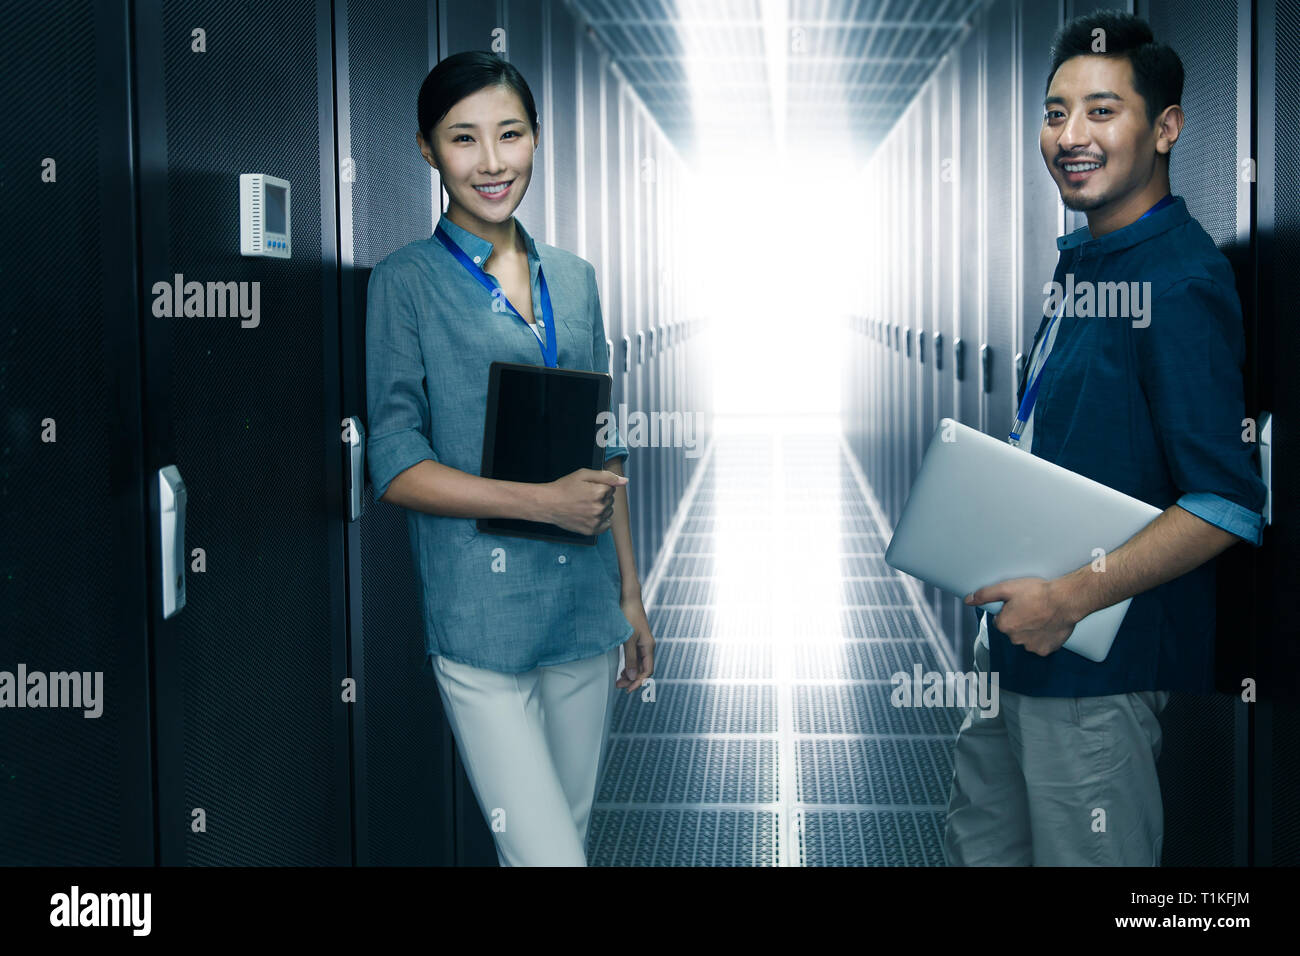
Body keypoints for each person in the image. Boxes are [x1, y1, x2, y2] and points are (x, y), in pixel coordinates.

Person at [943, 11, 1266, 866]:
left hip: (1096, 670)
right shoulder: (1086, 261)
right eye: (1055, 113)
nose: (1070, 136)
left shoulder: (1180, 279)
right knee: (982, 850)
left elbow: (1226, 504)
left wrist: (1072, 599)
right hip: (1014, 645)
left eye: (1101, 111)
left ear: (1165, 128)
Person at [364, 50, 656, 866]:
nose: (491, 163)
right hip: (477, 621)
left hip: (583, 612)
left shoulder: (577, 277)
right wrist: (542, 503)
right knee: (549, 859)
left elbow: (607, 448)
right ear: (427, 149)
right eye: (464, 139)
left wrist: (630, 594)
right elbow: (394, 464)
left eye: (510, 135)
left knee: (567, 840)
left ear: (536, 139)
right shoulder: (405, 283)